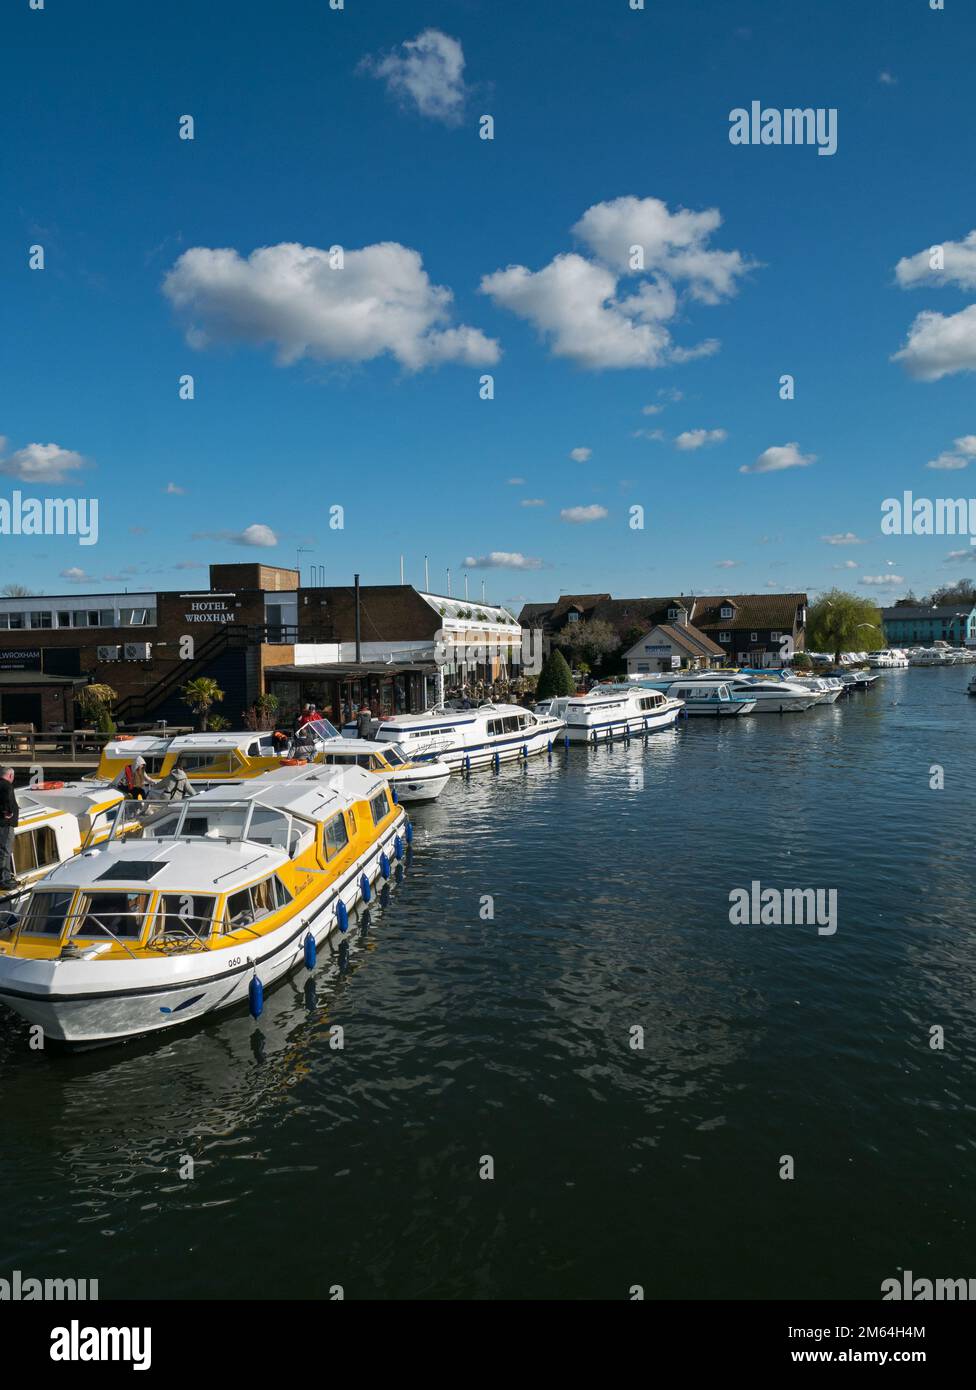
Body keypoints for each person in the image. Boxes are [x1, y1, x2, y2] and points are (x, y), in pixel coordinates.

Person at [0, 766, 19, 891]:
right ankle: (4, 880)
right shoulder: (7, 786)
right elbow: (9, 801)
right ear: (10, 776)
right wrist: (9, 811)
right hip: (5, 824)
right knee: (5, 851)